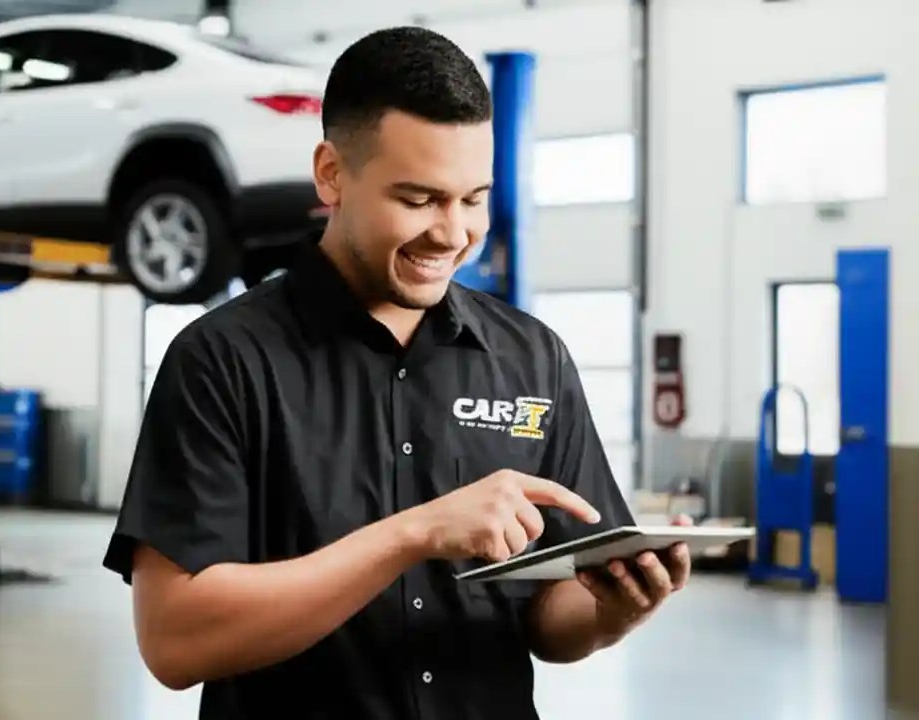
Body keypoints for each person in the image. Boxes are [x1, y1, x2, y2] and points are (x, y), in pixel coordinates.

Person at [102, 25, 692, 720]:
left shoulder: (533, 359)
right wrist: (413, 534)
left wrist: (613, 610)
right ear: (331, 174)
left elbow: (546, 620)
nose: (452, 234)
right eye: (418, 200)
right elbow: (175, 641)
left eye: (473, 199)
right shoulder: (222, 361)